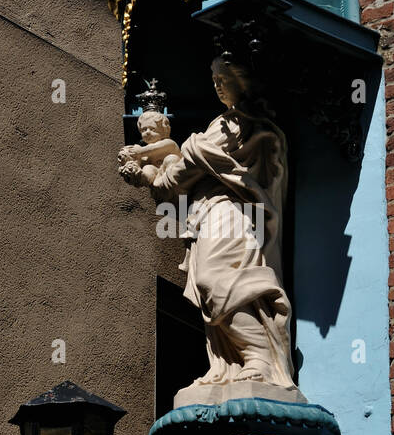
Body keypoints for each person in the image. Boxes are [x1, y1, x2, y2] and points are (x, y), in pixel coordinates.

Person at [119, 56, 298, 392]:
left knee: (217, 278)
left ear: (243, 80)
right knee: (210, 284)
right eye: (213, 78)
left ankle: (259, 357)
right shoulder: (226, 121)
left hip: (232, 210)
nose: (217, 85)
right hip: (208, 211)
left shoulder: (240, 123)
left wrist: (149, 175)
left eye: (223, 78)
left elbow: (189, 164)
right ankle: (238, 363)